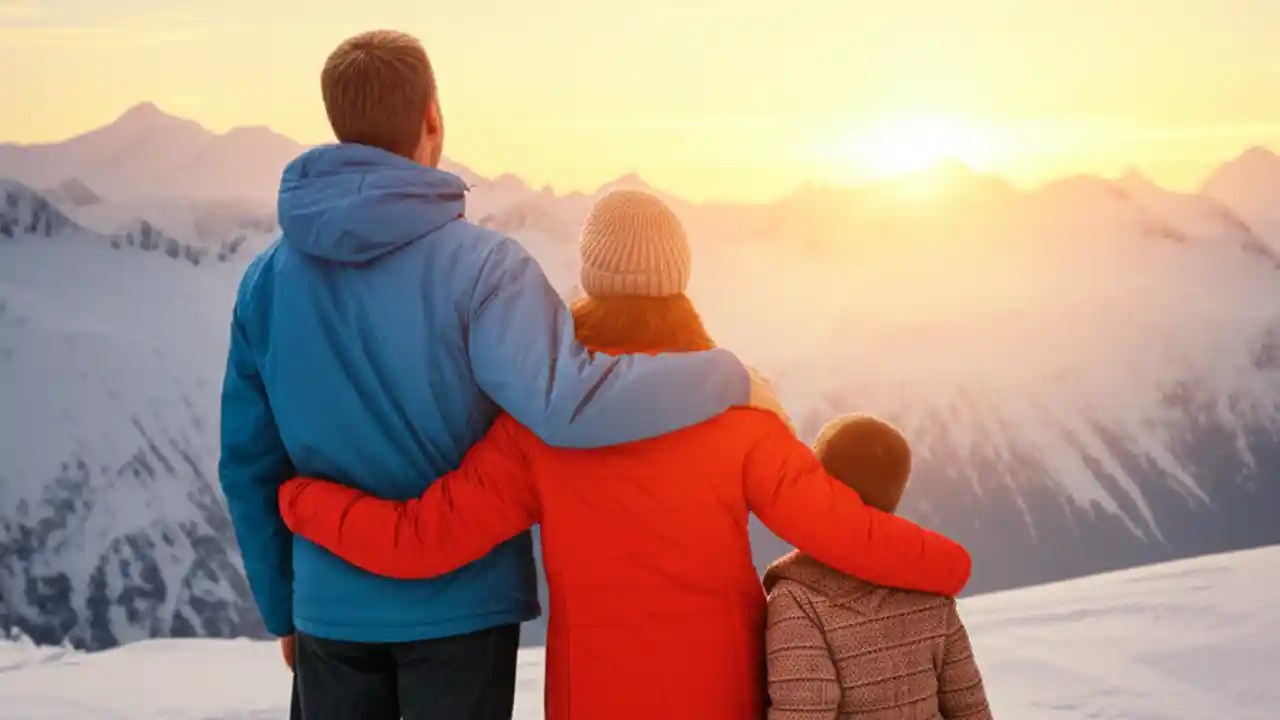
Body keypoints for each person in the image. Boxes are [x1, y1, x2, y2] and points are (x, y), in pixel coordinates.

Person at [218, 30, 783, 720]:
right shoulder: (485, 267)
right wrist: (724, 378)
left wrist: (285, 609)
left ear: (339, 122)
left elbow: (249, 463)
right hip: (462, 616)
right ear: (433, 117)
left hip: (329, 612)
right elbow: (566, 404)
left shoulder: (266, 282)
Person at [275, 190, 973, 720]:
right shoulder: (737, 414)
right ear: (680, 280)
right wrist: (950, 565)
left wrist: (302, 501)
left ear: (589, 278)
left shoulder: (541, 428)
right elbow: (846, 532)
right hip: (722, 694)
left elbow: (423, 540)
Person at [764, 415, 993, 719]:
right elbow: (971, 710)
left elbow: (803, 710)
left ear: (822, 486)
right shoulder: (929, 582)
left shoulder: (797, 599)